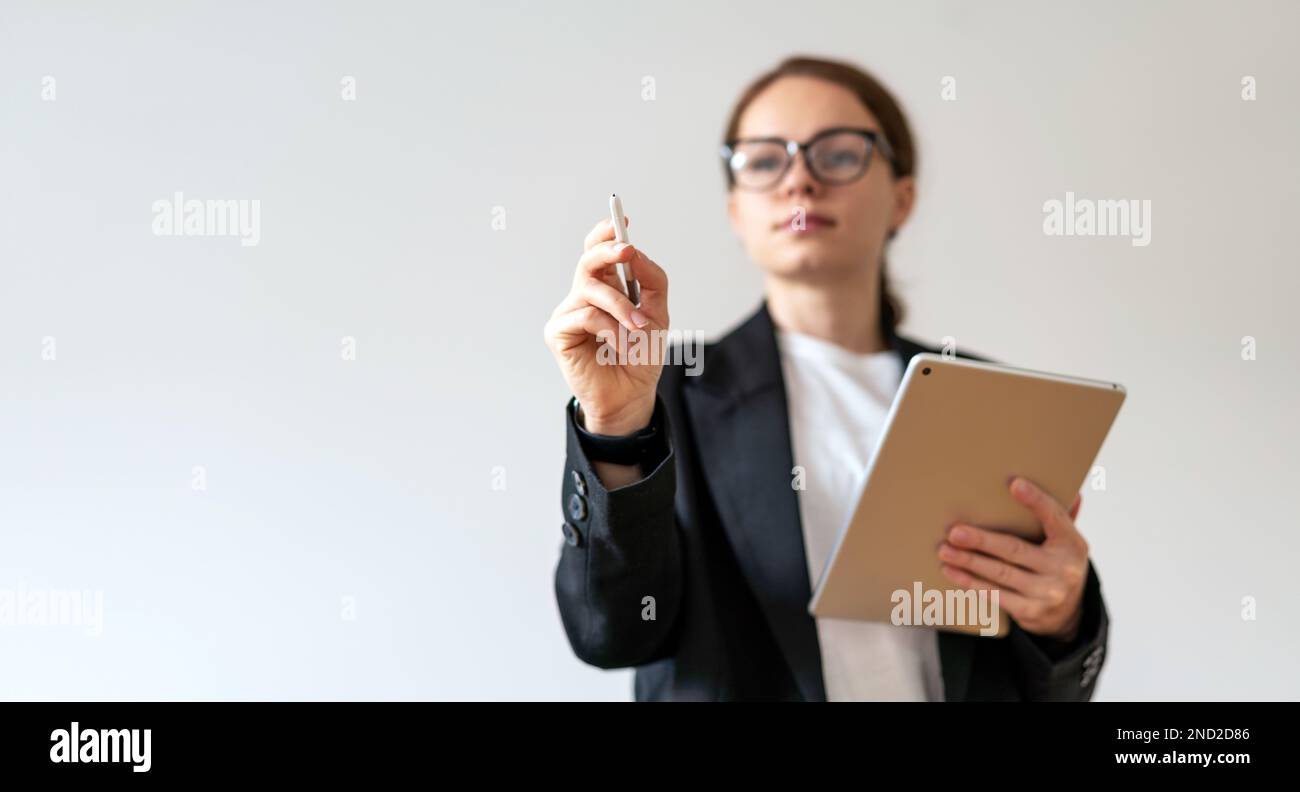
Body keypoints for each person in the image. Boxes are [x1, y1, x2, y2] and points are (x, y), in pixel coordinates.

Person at [543, 55, 1108, 701]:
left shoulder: (991, 399)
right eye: (763, 160)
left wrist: (1062, 616)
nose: (800, 181)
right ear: (735, 209)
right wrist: (616, 429)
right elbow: (611, 636)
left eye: (838, 155)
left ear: (902, 198)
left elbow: (1043, 679)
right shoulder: (663, 397)